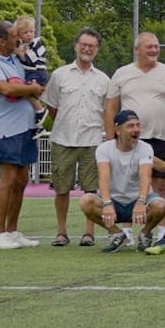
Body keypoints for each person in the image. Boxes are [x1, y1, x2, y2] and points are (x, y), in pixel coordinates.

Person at [41, 27, 111, 245]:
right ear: (76, 46)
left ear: (97, 50)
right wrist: (66, 124)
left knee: (91, 190)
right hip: (63, 140)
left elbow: (107, 111)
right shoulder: (59, 75)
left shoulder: (103, 80)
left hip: (92, 142)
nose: (87, 49)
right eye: (84, 44)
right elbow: (52, 107)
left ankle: (89, 233)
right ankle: (61, 232)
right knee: (61, 189)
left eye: (92, 46)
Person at [0, 20, 43, 249]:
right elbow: (6, 89)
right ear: (1, 41)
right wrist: (32, 89)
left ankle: (13, 231)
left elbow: (31, 75)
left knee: (21, 181)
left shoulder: (15, 58)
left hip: (26, 128)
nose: (19, 38)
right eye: (14, 36)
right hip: (7, 129)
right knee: (8, 181)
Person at [79, 109, 165, 252]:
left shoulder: (145, 148)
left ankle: (145, 233)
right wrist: (107, 203)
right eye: (130, 126)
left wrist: (141, 201)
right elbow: (103, 177)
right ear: (118, 131)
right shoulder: (104, 149)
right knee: (86, 201)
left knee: (160, 206)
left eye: (138, 125)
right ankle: (117, 234)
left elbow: (145, 176)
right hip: (114, 203)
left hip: (139, 202)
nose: (136, 130)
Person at [105, 32, 165, 166]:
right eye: (149, 47)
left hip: (160, 139)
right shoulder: (121, 73)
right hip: (128, 139)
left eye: (156, 47)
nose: (154, 50)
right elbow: (110, 109)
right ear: (137, 49)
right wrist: (110, 140)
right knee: (128, 178)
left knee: (159, 179)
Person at [13, 16, 50, 137]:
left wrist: (19, 52)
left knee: (25, 92)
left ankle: (41, 110)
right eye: (25, 32)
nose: (29, 35)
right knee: (28, 97)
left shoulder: (36, 44)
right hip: (31, 73)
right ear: (19, 34)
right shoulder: (23, 44)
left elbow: (31, 60)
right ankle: (39, 124)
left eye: (31, 31)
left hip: (37, 73)